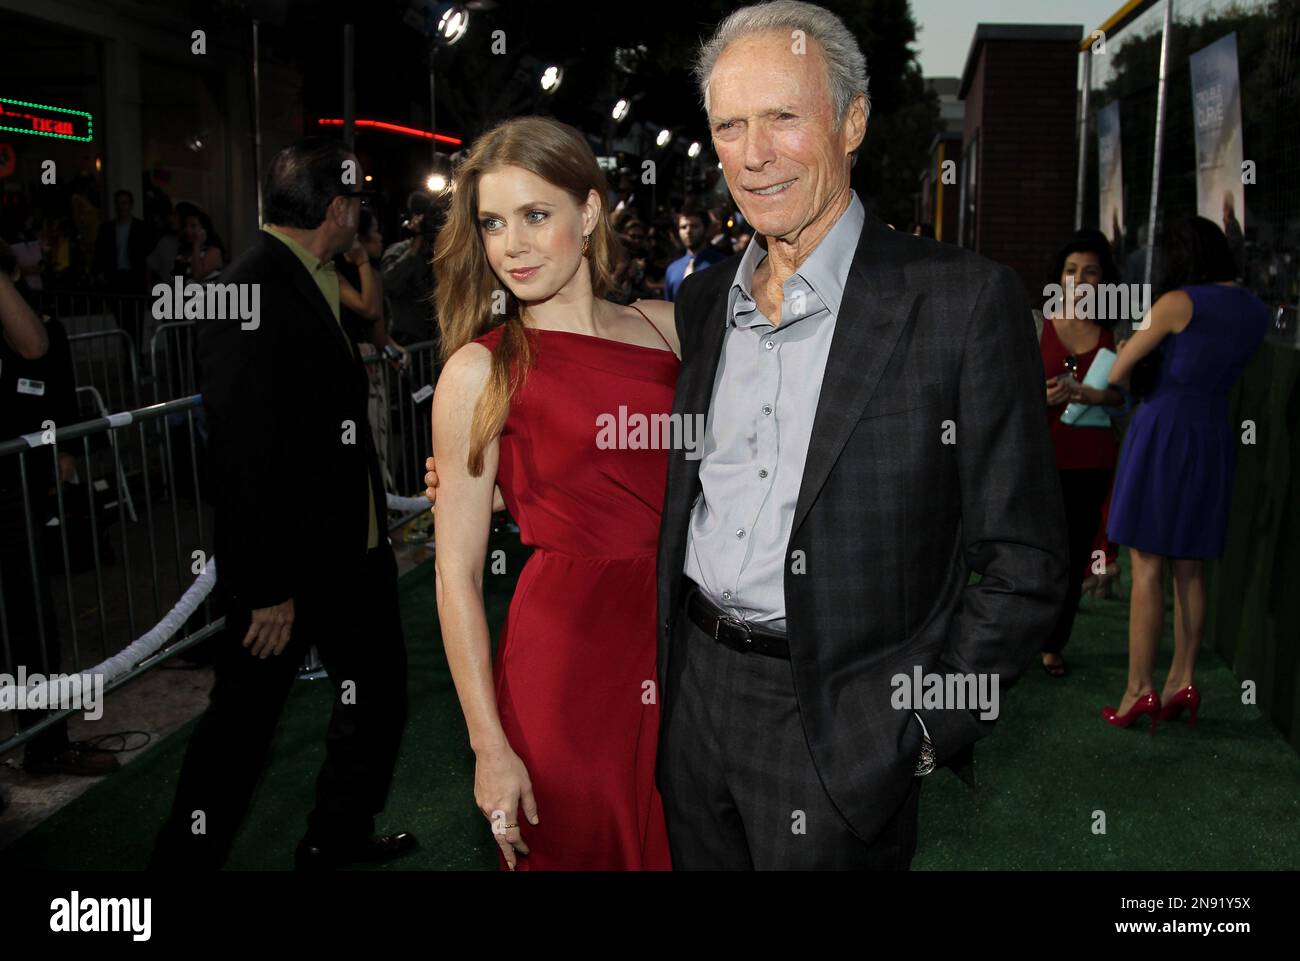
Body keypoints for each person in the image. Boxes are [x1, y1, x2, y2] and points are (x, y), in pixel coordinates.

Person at [654, 0, 1065, 869]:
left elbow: (1024, 564)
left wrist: (920, 730)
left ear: (852, 122)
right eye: (730, 124)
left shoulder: (962, 302)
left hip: (841, 729)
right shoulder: (703, 302)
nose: (753, 153)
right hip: (692, 699)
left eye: (782, 118)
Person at [150, 138, 414, 871]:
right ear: (337, 208)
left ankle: (335, 841)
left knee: (378, 699)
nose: (361, 214)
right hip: (288, 573)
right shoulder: (252, 287)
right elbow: (238, 455)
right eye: (356, 201)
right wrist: (267, 588)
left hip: (350, 556)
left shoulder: (314, 273)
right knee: (240, 730)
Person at [429, 115, 677, 870]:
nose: (514, 244)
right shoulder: (479, 371)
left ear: (591, 212)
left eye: (537, 215)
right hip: (566, 666)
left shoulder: (672, 333)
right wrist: (487, 744)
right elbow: (456, 577)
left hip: (687, 644)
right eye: (494, 223)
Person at [1089, 216, 1269, 731]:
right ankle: (1182, 680)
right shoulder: (1253, 310)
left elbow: (1121, 370)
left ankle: (1137, 689)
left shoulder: (1177, 303)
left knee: (1147, 562)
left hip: (1164, 431)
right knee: (1190, 567)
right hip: (1213, 434)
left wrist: (1132, 349)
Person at [0, 244, 111, 780]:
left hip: (10, 494)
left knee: (32, 624)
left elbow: (35, 345)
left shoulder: (28, 320)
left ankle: (45, 742)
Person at [1035, 235, 1121, 677]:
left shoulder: (1115, 334)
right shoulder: (1036, 325)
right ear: (1059, 277)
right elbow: (1001, 391)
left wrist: (1100, 395)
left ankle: (1053, 644)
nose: (1080, 280)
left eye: (1090, 271)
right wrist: (1040, 397)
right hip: (1036, 461)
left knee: (1071, 559)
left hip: (1089, 462)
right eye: (1072, 270)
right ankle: (1019, 636)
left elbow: (1128, 398)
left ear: (1104, 278)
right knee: (1031, 556)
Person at [380, 192, 438, 347]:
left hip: (433, 340)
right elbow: (389, 283)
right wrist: (417, 242)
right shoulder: (399, 250)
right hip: (407, 339)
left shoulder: (438, 254)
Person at [661, 207, 728, 301]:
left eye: (694, 226)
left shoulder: (722, 264)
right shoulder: (672, 269)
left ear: (706, 229)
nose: (688, 231)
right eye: (683, 227)